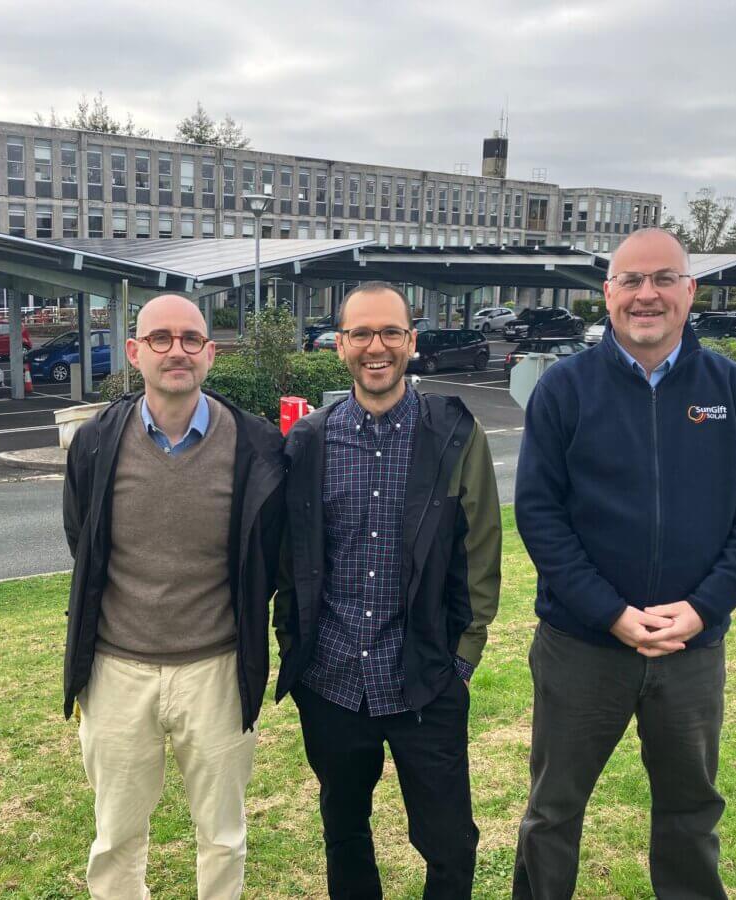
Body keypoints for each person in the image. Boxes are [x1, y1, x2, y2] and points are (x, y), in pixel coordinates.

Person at [511, 228, 736, 899]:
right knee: (553, 814)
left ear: (689, 291)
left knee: (691, 813)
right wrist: (610, 613)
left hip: (691, 650)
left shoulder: (733, 389)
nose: (647, 294)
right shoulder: (564, 390)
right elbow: (540, 518)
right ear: (607, 295)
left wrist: (701, 609)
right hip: (582, 647)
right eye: (631, 280)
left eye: (663, 278)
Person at [274, 281, 502, 899]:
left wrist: (463, 657)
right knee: (345, 833)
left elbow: (481, 550)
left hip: (426, 677)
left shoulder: (454, 435)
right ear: (341, 344)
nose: (377, 347)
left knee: (449, 841)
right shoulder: (309, 443)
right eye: (361, 334)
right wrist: (294, 643)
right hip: (333, 682)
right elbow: (288, 562)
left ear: (411, 341)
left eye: (391, 332)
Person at [61, 294, 286, 900]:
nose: (176, 351)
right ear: (135, 353)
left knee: (222, 836)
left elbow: (269, 556)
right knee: (116, 837)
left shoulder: (256, 446)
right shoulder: (95, 444)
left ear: (210, 353)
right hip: (116, 673)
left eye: (190, 338)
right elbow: (83, 541)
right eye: (160, 338)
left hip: (216, 670)